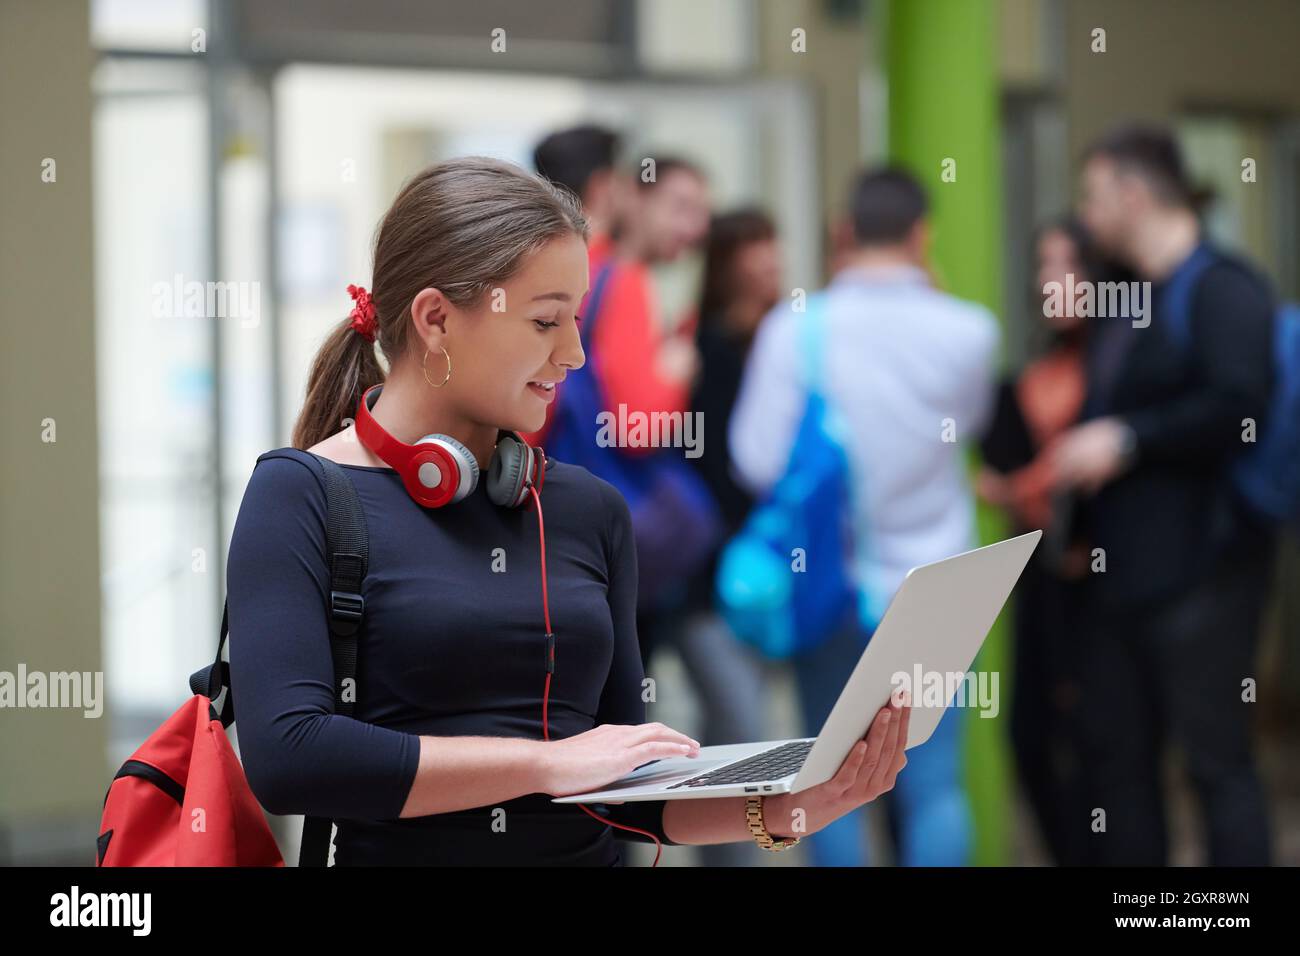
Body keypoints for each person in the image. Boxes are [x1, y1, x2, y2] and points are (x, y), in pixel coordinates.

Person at [225, 156, 910, 865]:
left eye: (576, 319)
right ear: (435, 319)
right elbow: (290, 758)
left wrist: (791, 808)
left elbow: (622, 793)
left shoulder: (589, 510)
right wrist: (546, 764)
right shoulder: (300, 495)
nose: (575, 354)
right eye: (546, 321)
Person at [730, 167, 1000, 866]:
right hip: (940, 586)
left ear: (845, 233)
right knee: (935, 785)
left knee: (829, 782)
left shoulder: (795, 330)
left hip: (830, 582)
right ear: (922, 235)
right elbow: (969, 425)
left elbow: (756, 459)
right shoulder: (970, 331)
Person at [1057, 124, 1277, 865]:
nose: (1086, 215)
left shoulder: (1225, 289)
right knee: (1118, 764)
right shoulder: (1132, 300)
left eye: (1093, 196)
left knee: (1216, 764)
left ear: (1131, 192)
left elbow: (1239, 407)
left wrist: (1129, 439)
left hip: (1208, 573)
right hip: (1123, 581)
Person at [977, 217, 1125, 865]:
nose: (1049, 281)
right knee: (1028, 736)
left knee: (1101, 742)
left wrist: (1027, 485)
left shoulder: (1122, 373)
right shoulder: (1029, 377)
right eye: (1043, 265)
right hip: (1039, 584)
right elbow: (999, 468)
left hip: (1104, 587)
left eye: (1065, 265)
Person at [675, 207, 785, 866]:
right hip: (707, 577)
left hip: (769, 573)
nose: (770, 262)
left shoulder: (785, 341)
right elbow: (708, 465)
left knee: (735, 732)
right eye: (755, 249)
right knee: (741, 733)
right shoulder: (705, 347)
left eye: (774, 246)